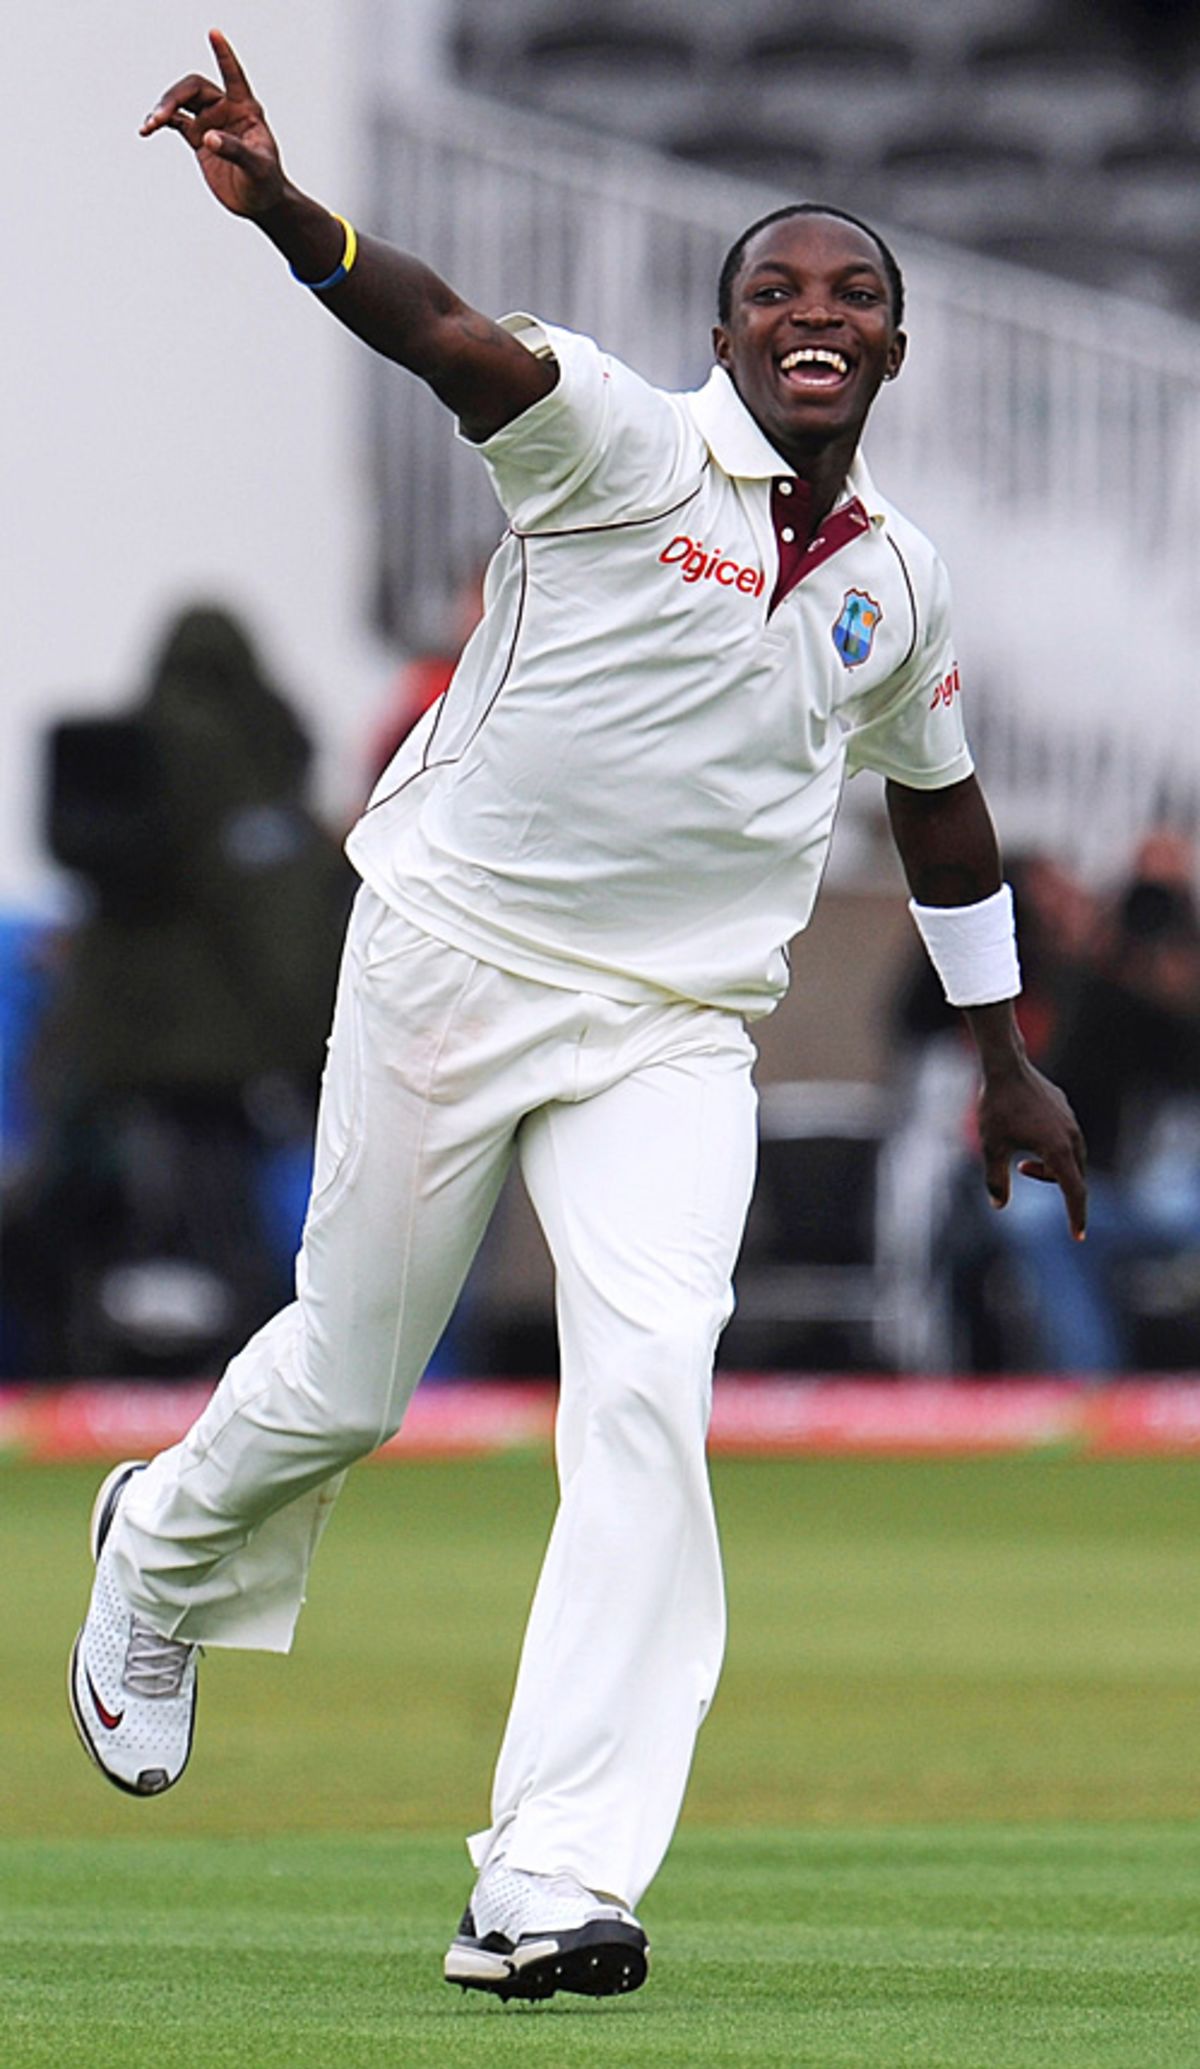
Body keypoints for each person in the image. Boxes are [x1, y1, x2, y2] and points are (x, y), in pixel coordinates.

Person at [69, 31, 1086, 2005]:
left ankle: (548, 1876)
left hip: (673, 1027)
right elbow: (452, 336)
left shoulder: (898, 583)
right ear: (725, 336)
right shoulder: (619, 442)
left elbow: (943, 811)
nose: (814, 312)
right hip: (452, 952)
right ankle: (164, 1544)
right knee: (352, 1382)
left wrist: (1003, 1056)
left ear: (895, 345)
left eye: (852, 293)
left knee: (645, 1404)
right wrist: (288, 217)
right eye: (776, 289)